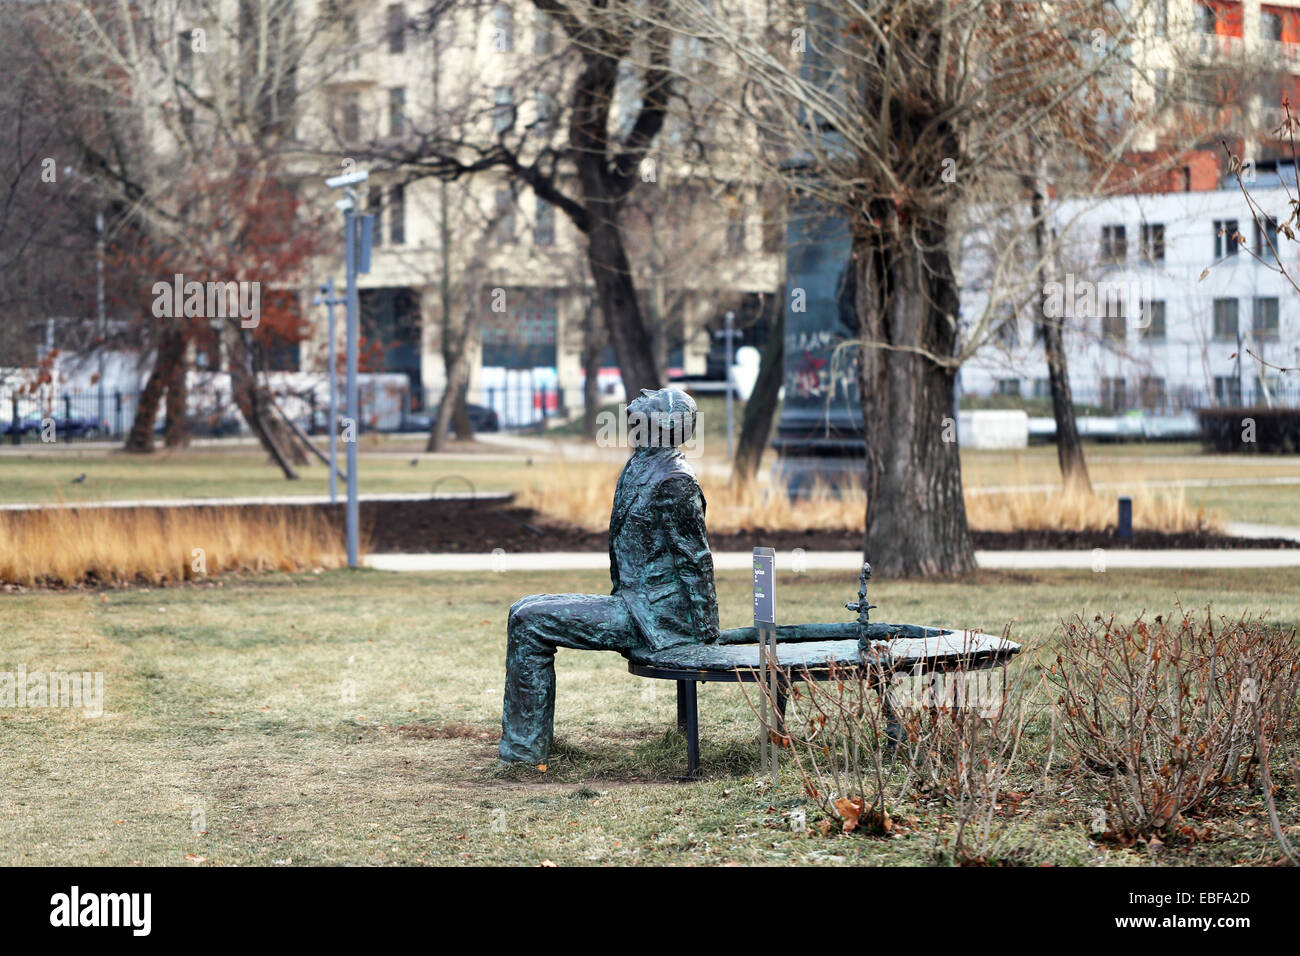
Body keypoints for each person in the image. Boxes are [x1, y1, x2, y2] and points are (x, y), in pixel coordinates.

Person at [499, 387, 719, 765]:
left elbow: (695, 560)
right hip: (633, 603)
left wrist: (703, 635)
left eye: (647, 405)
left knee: (528, 621)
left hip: (656, 622)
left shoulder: (674, 480)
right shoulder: (643, 464)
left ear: (661, 424)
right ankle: (525, 749)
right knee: (524, 608)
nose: (640, 400)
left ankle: (523, 755)